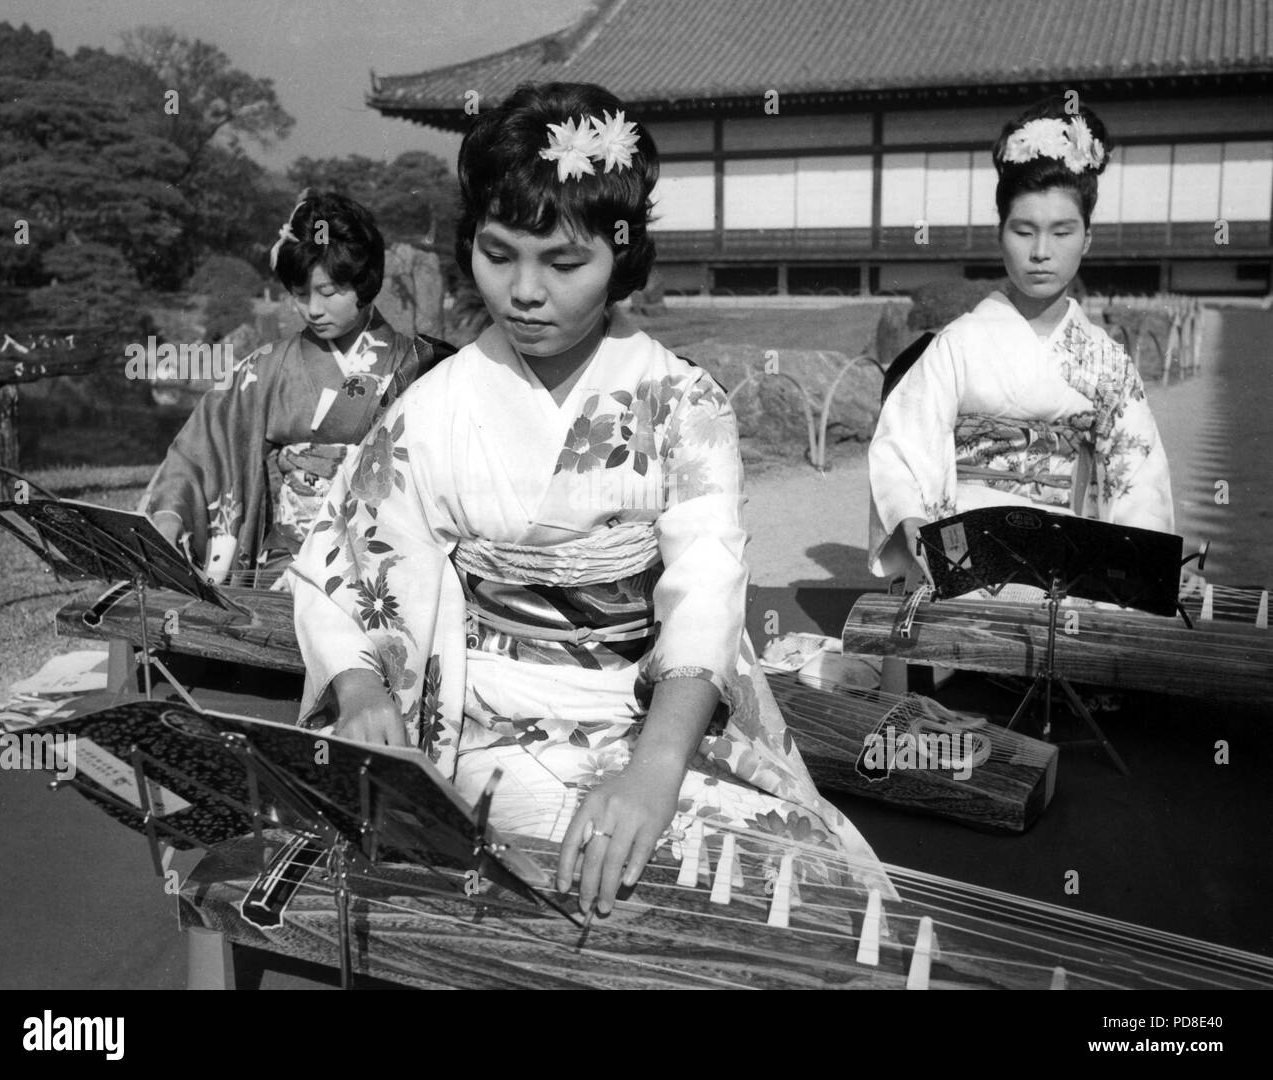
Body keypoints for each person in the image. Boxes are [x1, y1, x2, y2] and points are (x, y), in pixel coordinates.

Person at [291, 83, 886, 915]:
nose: (524, 292)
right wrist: (358, 691)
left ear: (623, 259)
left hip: (641, 707)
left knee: (792, 890)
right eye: (498, 255)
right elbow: (344, 558)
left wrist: (652, 770)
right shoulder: (434, 405)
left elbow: (706, 588)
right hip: (469, 709)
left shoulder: (683, 404)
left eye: (564, 263)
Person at [868, 98, 1174, 583]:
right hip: (961, 551)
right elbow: (905, 443)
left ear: (1087, 238)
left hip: (1068, 563)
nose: (1040, 253)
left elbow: (1138, 480)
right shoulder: (959, 344)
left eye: (1062, 232)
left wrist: (1136, 567)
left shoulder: (1106, 363)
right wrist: (911, 515)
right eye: (1024, 231)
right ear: (1000, 233)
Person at [144, 191, 450, 587]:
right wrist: (171, 515)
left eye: (327, 292)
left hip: (388, 554)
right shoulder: (267, 367)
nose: (313, 310)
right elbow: (203, 446)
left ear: (365, 281)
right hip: (289, 560)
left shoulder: (419, 364)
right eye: (300, 294)